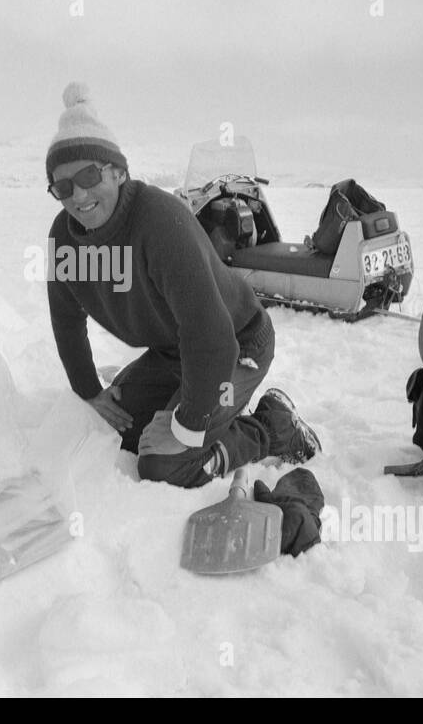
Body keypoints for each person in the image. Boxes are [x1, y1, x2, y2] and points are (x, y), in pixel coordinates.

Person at [44, 82, 321, 489]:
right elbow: (66, 321)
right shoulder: (67, 241)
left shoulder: (159, 223)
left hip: (238, 344)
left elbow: (212, 339)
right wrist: (90, 392)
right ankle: (209, 410)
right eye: (63, 186)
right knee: (112, 430)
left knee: (163, 465)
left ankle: (273, 428)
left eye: (89, 175)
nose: (79, 195)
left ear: (119, 171)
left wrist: (186, 428)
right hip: (174, 352)